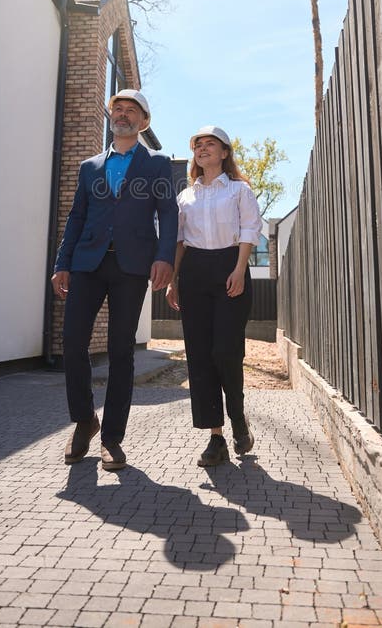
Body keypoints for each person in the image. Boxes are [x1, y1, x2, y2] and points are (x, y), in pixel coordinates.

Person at [52, 89, 178, 470]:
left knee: (121, 350)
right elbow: (77, 217)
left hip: (132, 266)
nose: (122, 114)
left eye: (131, 110)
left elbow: (168, 214)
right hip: (87, 263)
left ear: (143, 120)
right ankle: (85, 420)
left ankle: (111, 438)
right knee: (73, 342)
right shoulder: (89, 166)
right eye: (117, 109)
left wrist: (164, 257)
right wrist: (63, 261)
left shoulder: (156, 164)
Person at [166, 126, 262, 467]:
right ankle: (216, 436)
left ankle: (238, 418)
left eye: (210, 144)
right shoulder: (185, 197)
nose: (203, 149)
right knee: (200, 357)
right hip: (193, 273)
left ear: (224, 153)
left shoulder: (239, 190)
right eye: (198, 145)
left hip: (229, 266)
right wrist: (173, 280)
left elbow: (250, 230)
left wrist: (238, 269)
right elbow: (179, 241)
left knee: (225, 351)